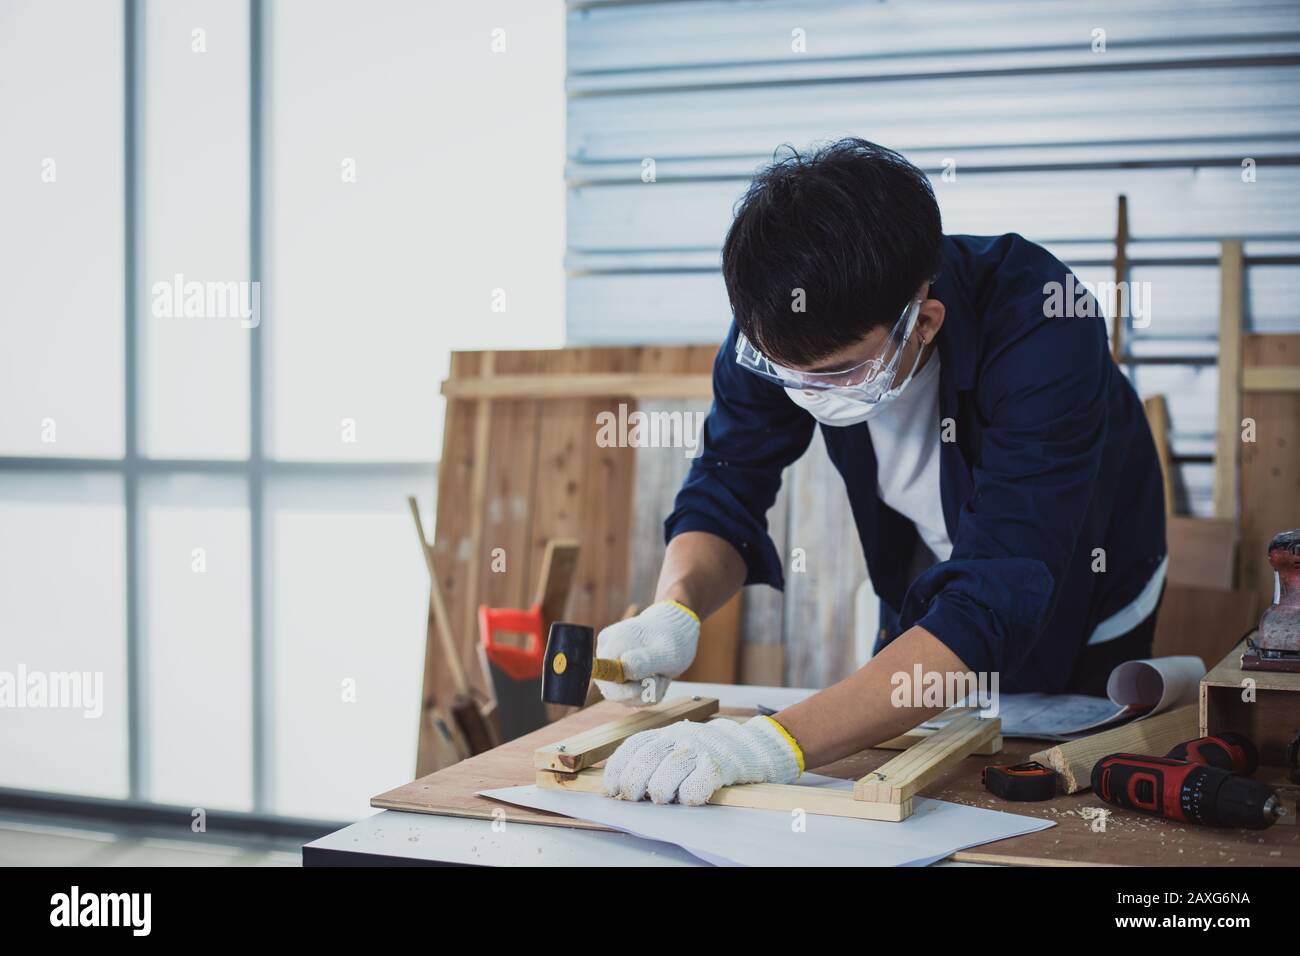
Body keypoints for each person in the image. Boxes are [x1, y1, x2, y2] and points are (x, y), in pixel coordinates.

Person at [594, 139, 1167, 807]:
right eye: (786, 374)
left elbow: (996, 598)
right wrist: (675, 610)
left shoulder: (1043, 321)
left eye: (837, 373)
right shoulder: (776, 327)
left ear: (923, 322)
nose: (805, 390)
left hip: (1080, 577)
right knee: (897, 751)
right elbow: (724, 488)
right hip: (927, 571)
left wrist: (767, 743)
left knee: (1047, 791)